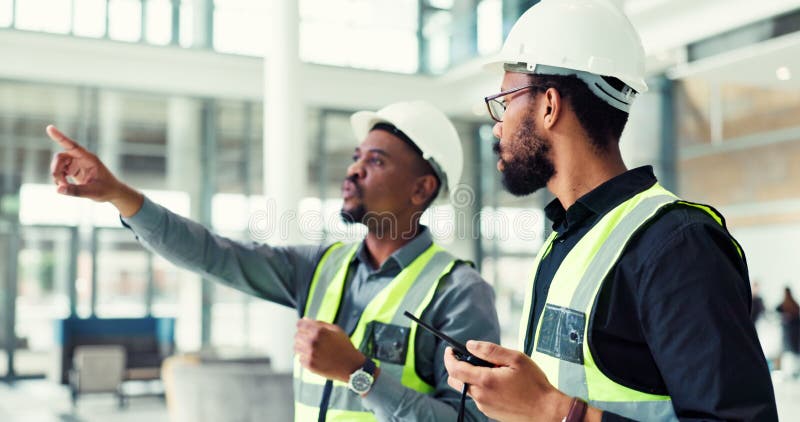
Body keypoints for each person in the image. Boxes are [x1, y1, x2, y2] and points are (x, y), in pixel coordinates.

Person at [46, 100, 500, 421]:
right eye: (355, 157)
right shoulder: (320, 267)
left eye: (375, 161)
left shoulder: (459, 293)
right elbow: (212, 255)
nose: (353, 170)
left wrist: (360, 374)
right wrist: (118, 195)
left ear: (421, 189)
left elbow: (472, 421)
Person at [443, 0, 777, 420]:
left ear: (549, 105)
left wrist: (555, 412)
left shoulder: (677, 246)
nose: (497, 123)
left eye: (505, 100)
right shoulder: (565, 239)